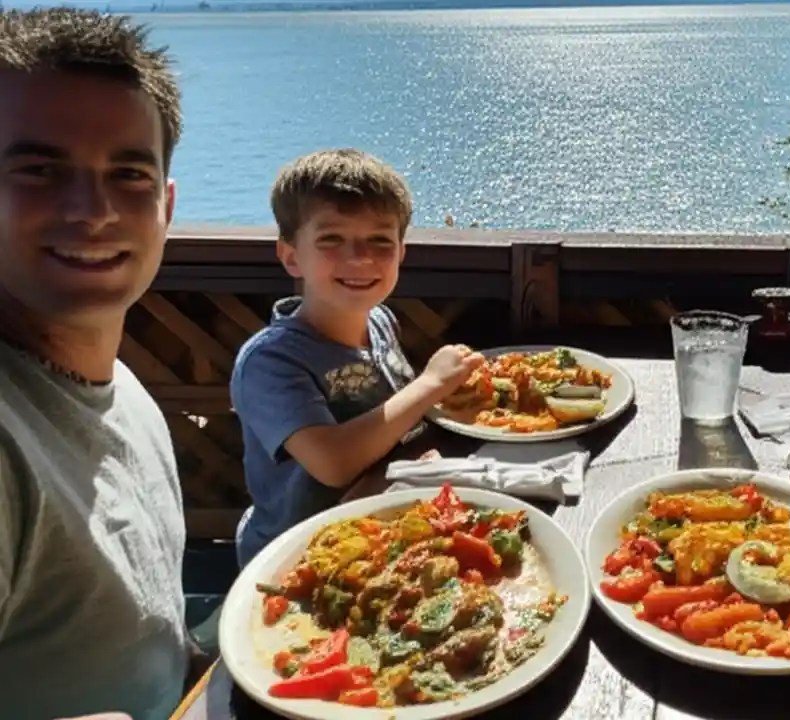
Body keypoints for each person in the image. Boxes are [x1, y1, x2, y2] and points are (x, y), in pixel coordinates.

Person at [0, 8, 203, 720]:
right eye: (38, 169)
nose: (92, 210)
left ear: (166, 208)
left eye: (129, 174)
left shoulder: (125, 391)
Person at [231, 149, 483, 567]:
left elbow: (391, 419)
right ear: (291, 255)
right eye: (331, 239)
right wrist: (430, 384)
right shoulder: (270, 361)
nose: (360, 257)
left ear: (401, 252)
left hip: (384, 529)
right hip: (299, 555)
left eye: (380, 240)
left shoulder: (380, 319)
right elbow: (333, 463)